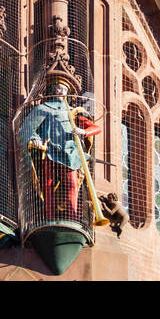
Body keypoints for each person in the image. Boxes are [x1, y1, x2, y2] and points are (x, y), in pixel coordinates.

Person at [19, 70, 100, 219]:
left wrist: (82, 131)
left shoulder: (74, 112)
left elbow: (96, 128)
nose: (61, 92)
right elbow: (28, 129)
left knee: (72, 185)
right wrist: (34, 137)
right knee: (47, 185)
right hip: (49, 152)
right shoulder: (42, 109)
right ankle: (49, 216)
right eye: (58, 88)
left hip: (70, 154)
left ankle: (72, 216)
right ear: (52, 89)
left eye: (63, 89)